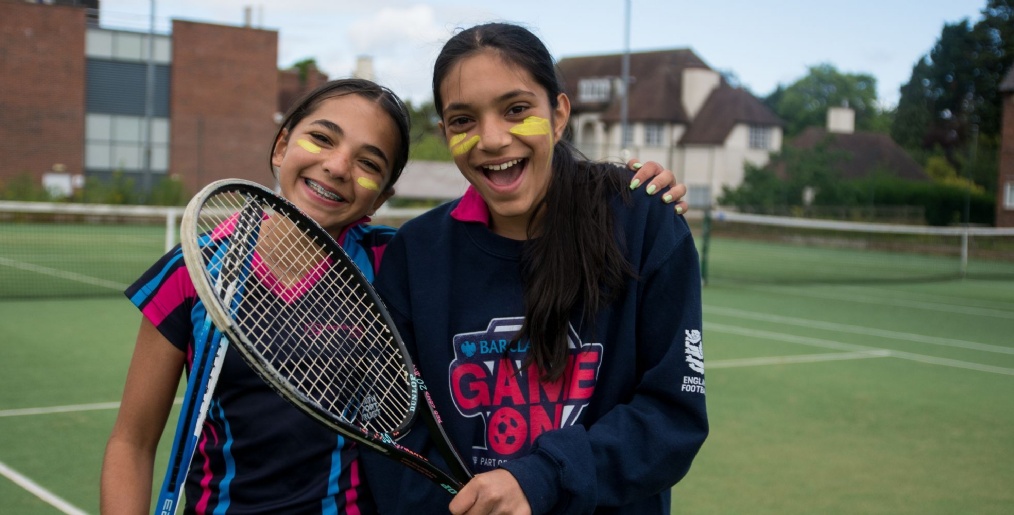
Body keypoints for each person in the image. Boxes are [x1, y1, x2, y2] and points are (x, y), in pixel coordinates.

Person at [99, 76, 689, 513]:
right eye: (321, 139)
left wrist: (623, 187)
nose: (336, 167)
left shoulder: (394, 263)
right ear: (282, 144)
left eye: (368, 163)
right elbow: (132, 441)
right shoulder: (196, 269)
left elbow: (516, 216)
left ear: (379, 196)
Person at [361, 22, 708, 514]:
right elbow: (392, 433)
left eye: (516, 109)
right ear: (445, 133)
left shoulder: (645, 223)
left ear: (559, 113)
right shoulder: (415, 254)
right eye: (463, 121)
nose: (492, 139)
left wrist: (542, 479)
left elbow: (671, 419)